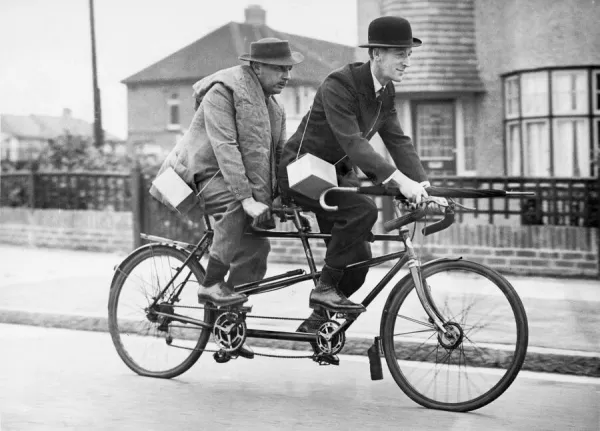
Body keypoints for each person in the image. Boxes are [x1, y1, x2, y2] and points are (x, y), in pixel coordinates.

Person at [277, 16, 446, 334]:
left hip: (336, 175)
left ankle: (317, 324)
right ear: (377, 53)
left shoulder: (386, 93)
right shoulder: (339, 85)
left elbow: (397, 140)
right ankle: (323, 289)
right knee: (363, 210)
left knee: (359, 260)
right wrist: (400, 182)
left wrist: (423, 186)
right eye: (400, 53)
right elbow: (353, 144)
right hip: (301, 168)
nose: (406, 61)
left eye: (408, 54)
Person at [151, 38, 304, 312]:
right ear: (256, 67)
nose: (287, 76)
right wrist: (246, 199)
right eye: (280, 68)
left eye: (289, 69)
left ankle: (228, 319)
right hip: (193, 177)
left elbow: (278, 157)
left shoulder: (275, 109)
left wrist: (285, 199)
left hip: (226, 178)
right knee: (233, 206)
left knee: (256, 251)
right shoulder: (221, 93)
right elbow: (225, 147)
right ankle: (210, 283)